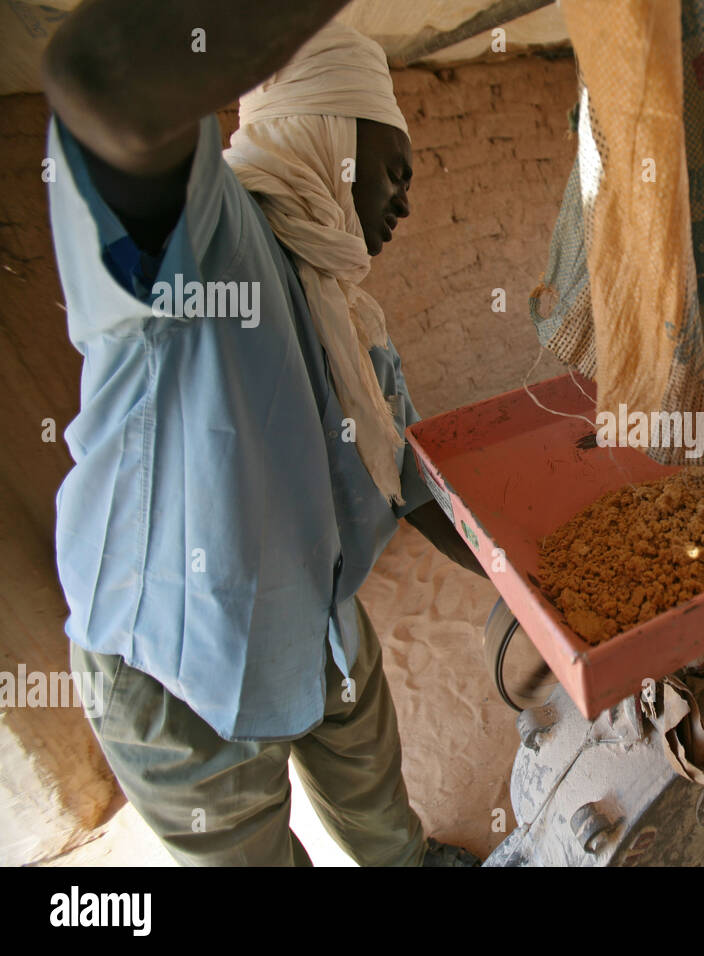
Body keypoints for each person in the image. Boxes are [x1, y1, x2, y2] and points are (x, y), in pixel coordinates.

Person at [43, 1, 482, 865]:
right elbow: (107, 83)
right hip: (179, 662)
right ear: (331, 135)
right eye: (395, 170)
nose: (405, 202)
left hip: (313, 609)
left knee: (371, 778)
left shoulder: (342, 306)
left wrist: (536, 583)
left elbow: (409, 473)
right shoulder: (207, 240)